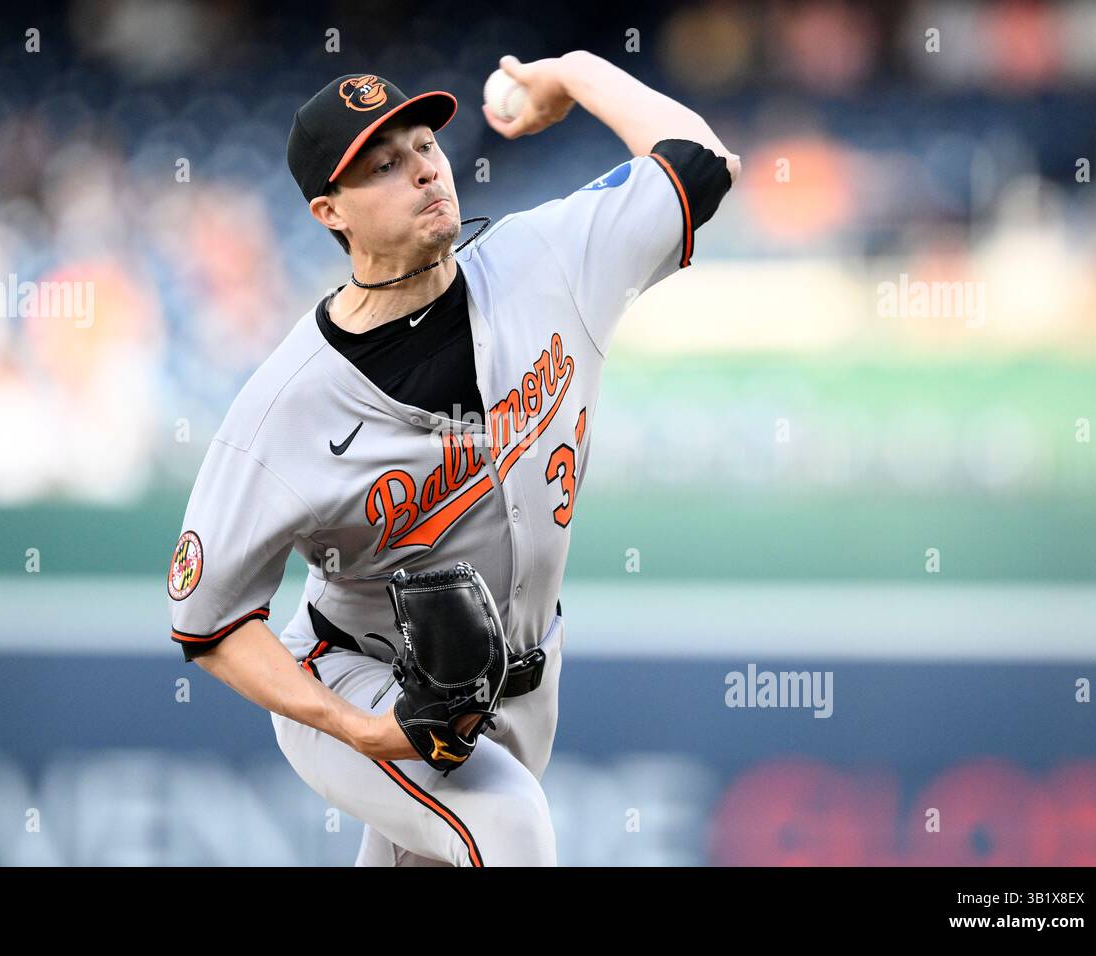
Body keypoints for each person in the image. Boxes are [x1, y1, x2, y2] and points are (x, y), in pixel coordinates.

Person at [167, 52, 740, 866]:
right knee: (509, 826)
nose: (424, 171)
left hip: (528, 683)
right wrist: (366, 730)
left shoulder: (544, 261)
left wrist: (572, 74)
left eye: (424, 146)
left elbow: (704, 162)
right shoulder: (287, 404)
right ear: (332, 212)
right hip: (361, 679)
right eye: (384, 166)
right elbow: (209, 622)